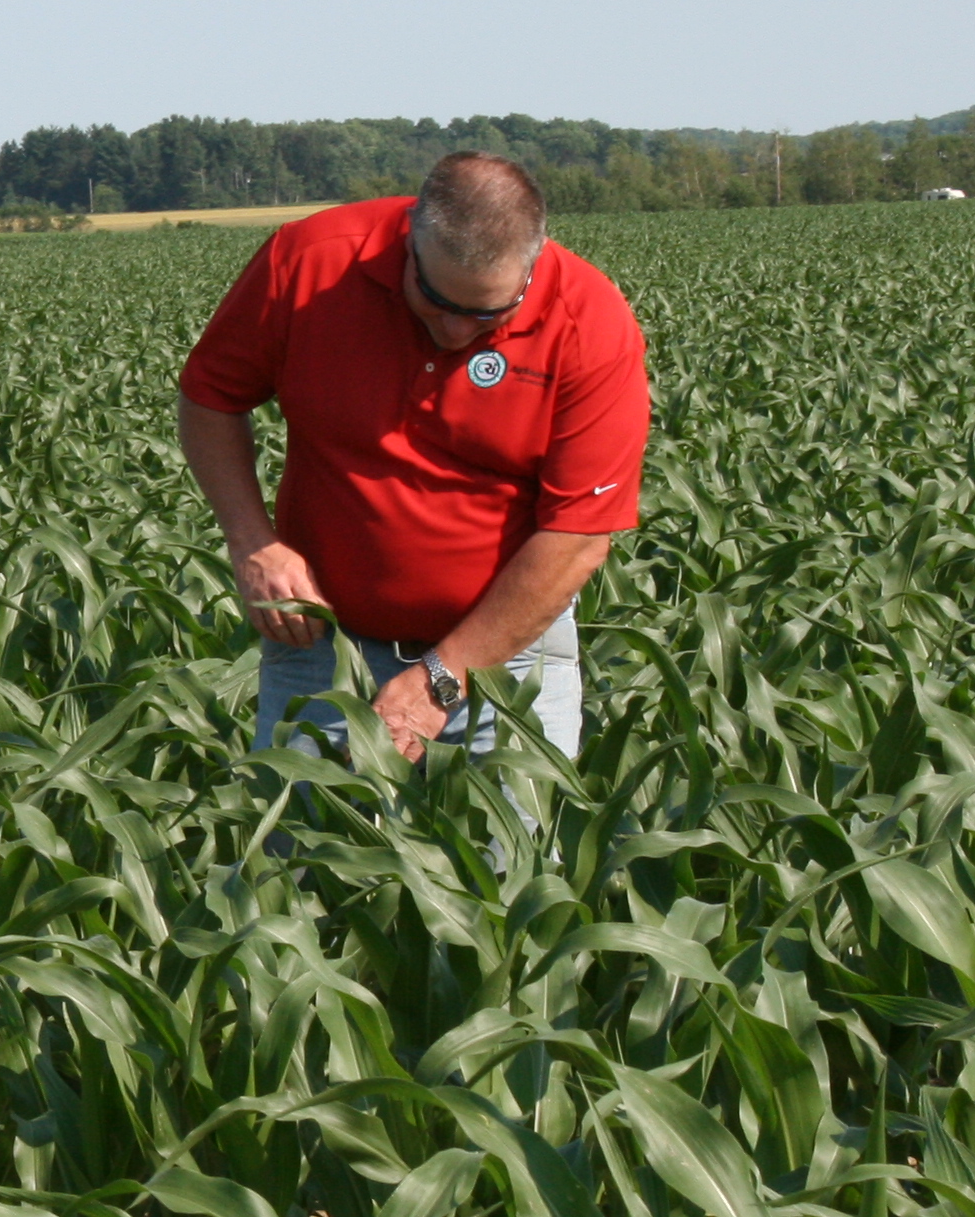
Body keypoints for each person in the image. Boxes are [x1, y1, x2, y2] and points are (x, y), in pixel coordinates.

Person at [174, 150, 649, 764]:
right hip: (323, 643)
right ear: (408, 244)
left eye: (487, 314)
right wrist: (252, 541)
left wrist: (441, 679)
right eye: (436, 300)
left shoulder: (589, 322)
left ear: (531, 266)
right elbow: (211, 396)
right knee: (299, 824)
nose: (455, 332)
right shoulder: (311, 261)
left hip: (509, 657)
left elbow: (578, 536)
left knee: (517, 828)